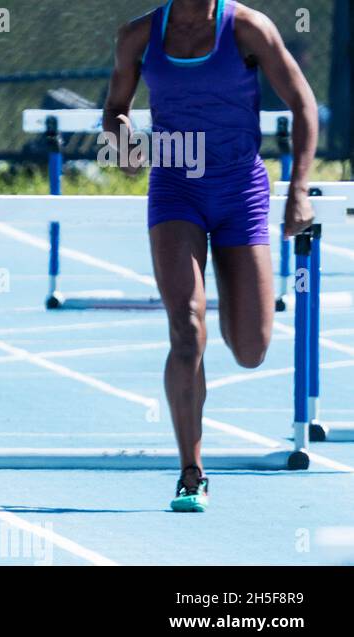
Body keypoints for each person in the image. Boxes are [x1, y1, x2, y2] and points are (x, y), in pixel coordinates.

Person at [102, 0, 318, 511]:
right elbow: (114, 111)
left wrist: (299, 190)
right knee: (186, 328)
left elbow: (303, 104)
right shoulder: (138, 36)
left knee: (250, 349)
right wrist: (123, 144)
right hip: (176, 188)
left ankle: (233, 302)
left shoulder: (248, 28)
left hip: (240, 189)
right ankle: (191, 472)